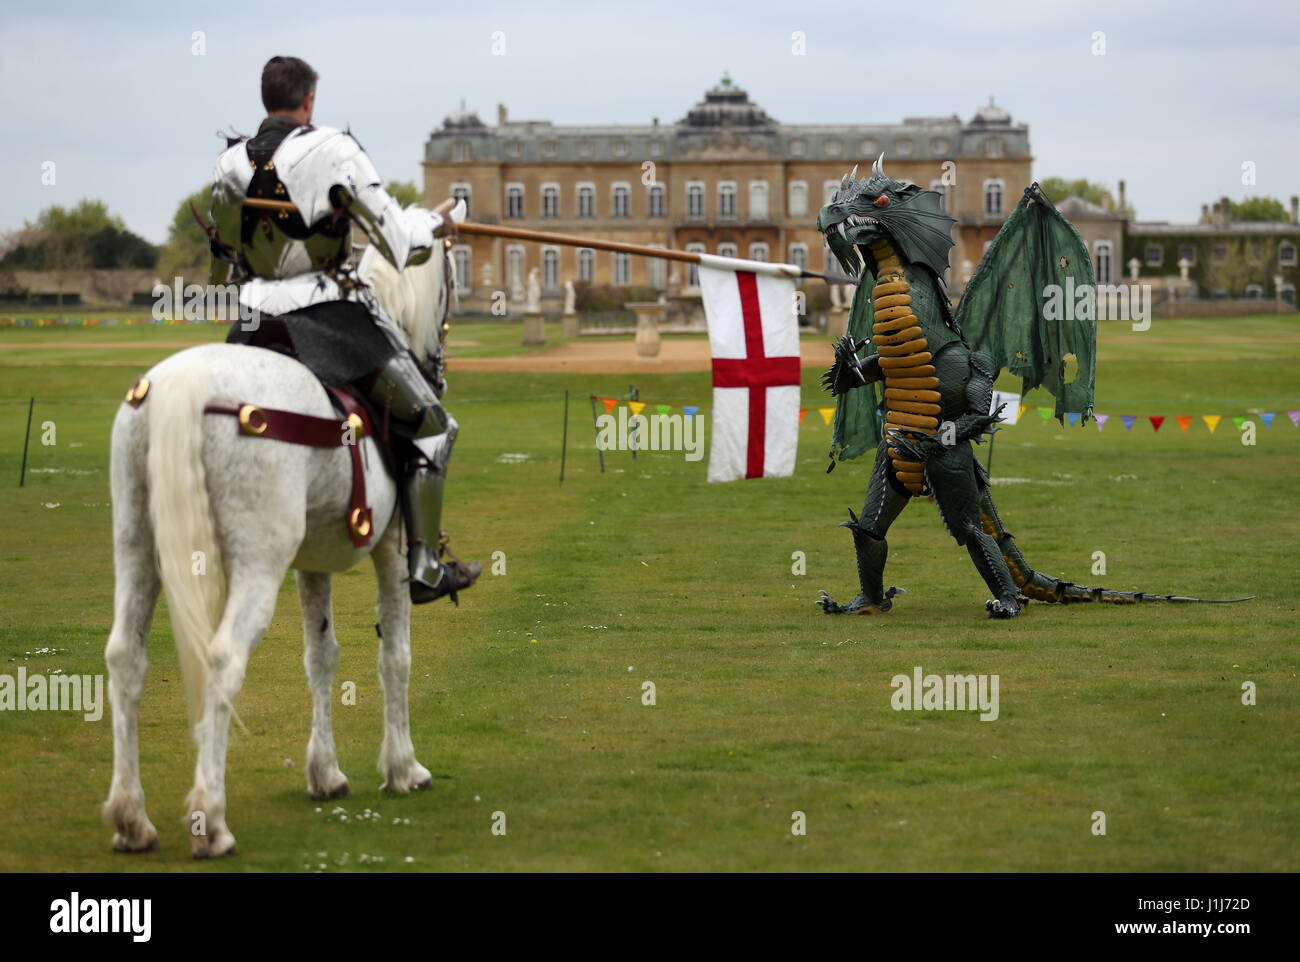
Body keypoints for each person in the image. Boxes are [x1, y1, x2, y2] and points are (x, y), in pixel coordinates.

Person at [207, 55, 479, 604]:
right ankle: (424, 568)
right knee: (431, 426)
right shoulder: (333, 149)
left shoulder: (230, 164)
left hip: (252, 324)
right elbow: (397, 244)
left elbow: (222, 262)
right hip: (325, 324)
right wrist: (438, 220)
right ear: (309, 101)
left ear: (267, 100)